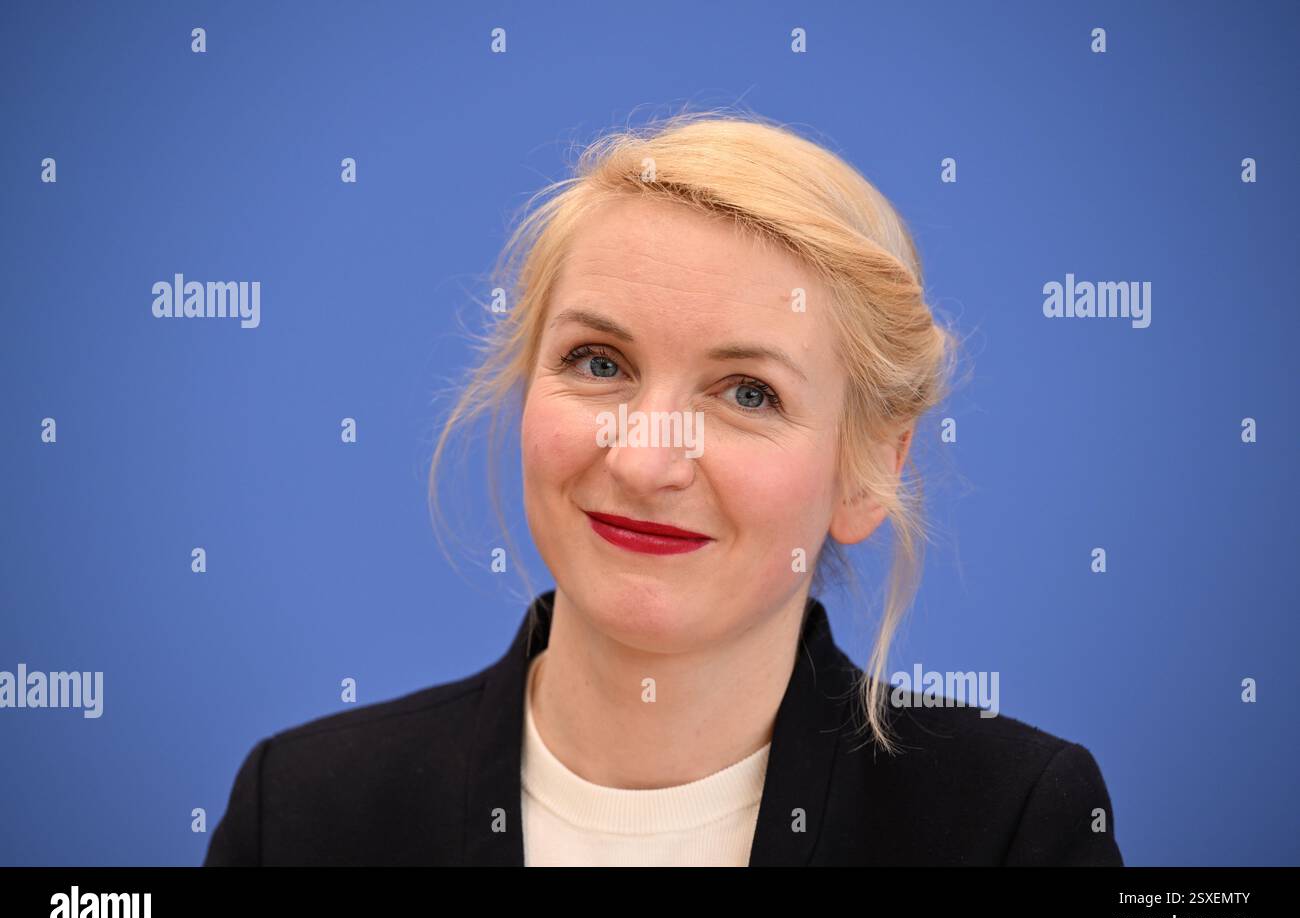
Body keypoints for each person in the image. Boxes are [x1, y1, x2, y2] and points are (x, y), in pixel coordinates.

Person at [204, 109, 1122, 866]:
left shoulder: (1013, 825)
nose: (647, 461)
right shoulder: (299, 815)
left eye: (750, 393)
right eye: (598, 362)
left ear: (871, 472)